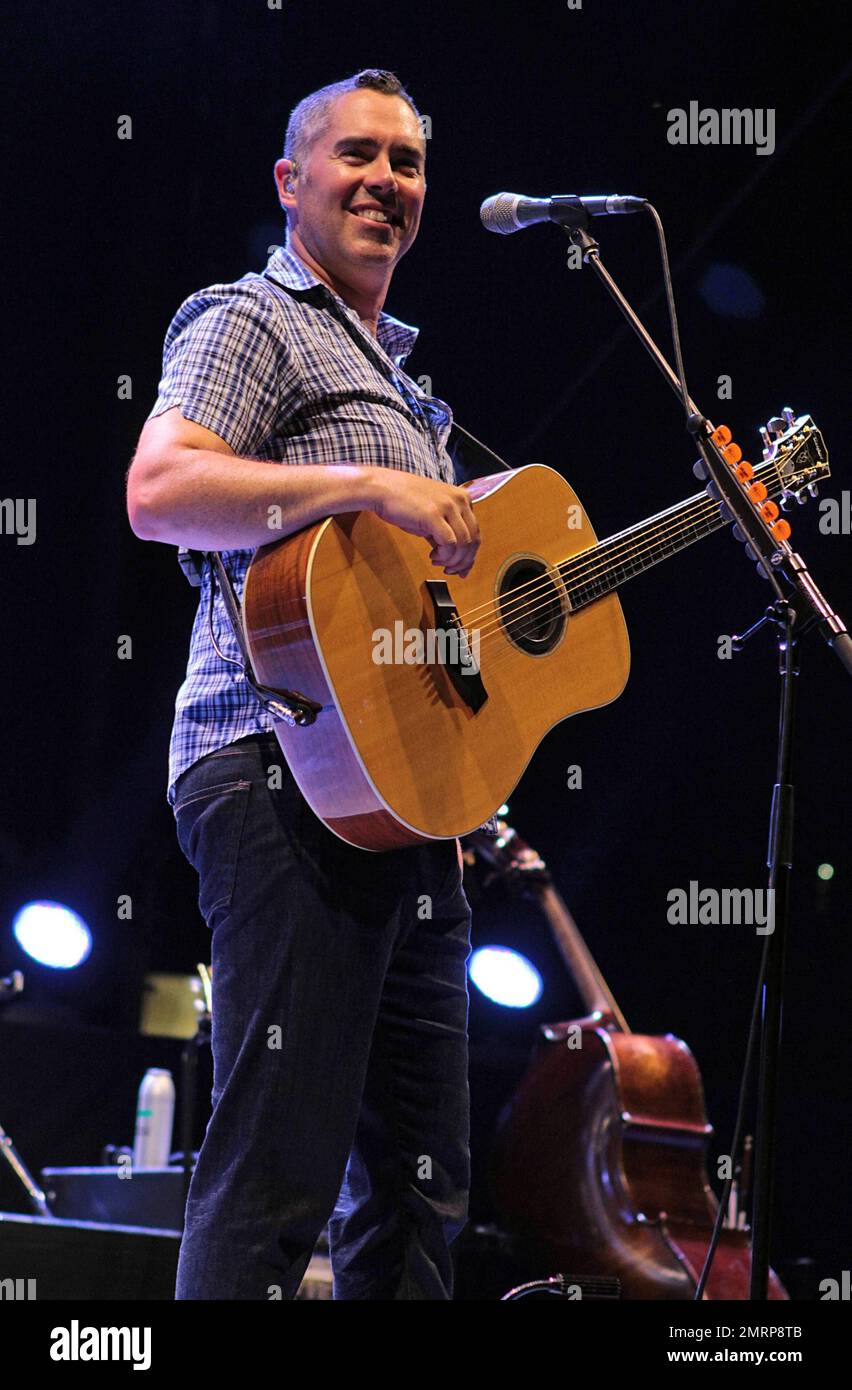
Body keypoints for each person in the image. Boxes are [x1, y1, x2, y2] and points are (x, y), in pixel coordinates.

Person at [126, 68, 483, 1300]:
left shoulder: (409, 388)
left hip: (399, 807)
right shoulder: (251, 317)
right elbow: (159, 490)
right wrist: (364, 485)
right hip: (277, 775)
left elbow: (397, 621)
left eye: (411, 162)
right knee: (279, 1168)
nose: (389, 180)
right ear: (292, 181)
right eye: (360, 156)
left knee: (421, 1187)